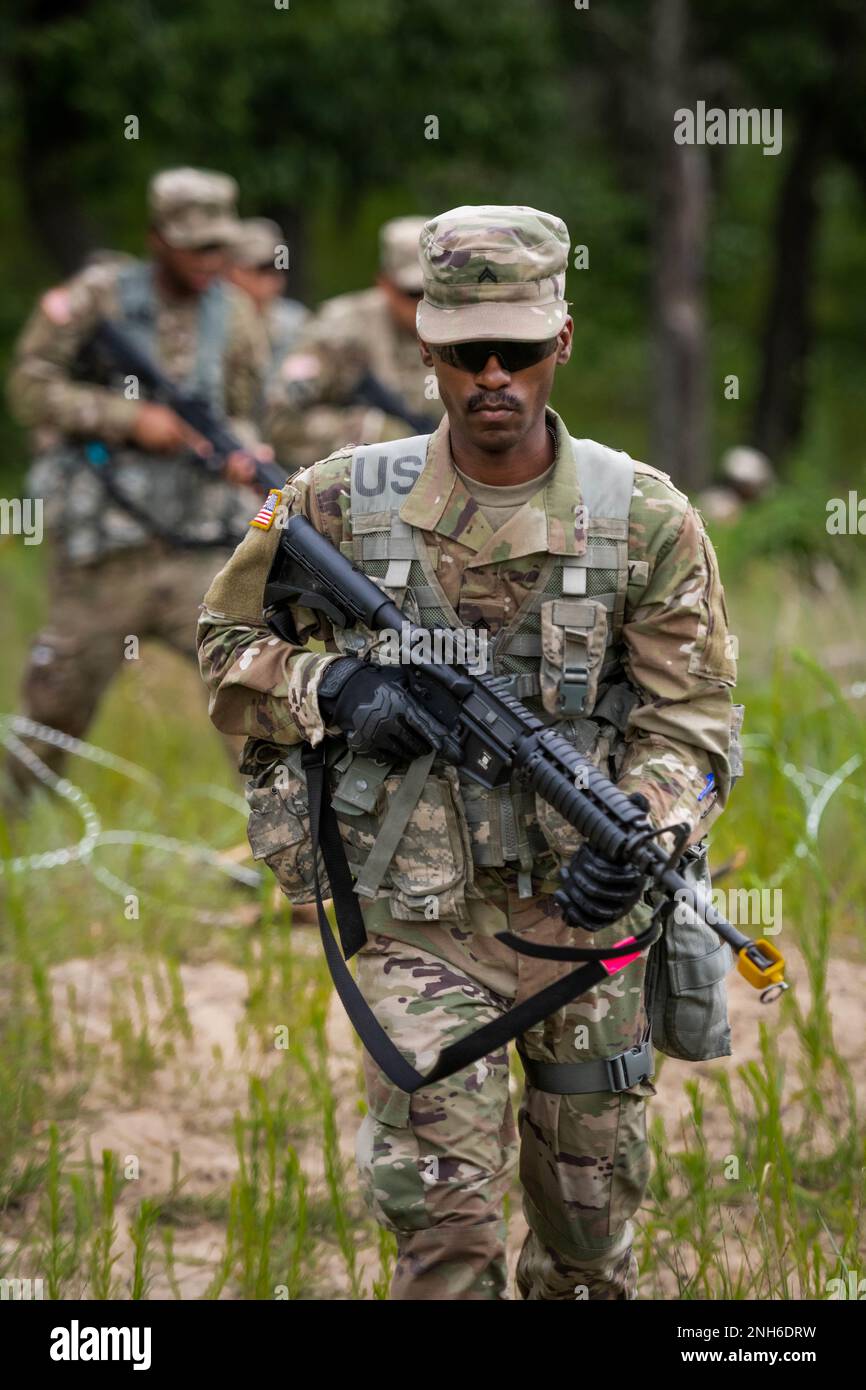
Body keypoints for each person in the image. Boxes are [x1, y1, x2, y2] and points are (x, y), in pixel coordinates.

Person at [197, 204, 739, 1300]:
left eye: (520, 349)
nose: (493, 376)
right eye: (463, 352)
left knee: (588, 1243)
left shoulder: (643, 520)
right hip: (416, 917)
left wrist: (648, 827)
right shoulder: (340, 500)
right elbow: (222, 647)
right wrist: (331, 686)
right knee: (443, 1228)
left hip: (587, 924)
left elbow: (693, 719)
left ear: (563, 343)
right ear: (426, 350)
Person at [5, 166, 272, 793]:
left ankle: (286, 857)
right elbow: (28, 388)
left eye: (220, 247)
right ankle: (11, 841)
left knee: (251, 698)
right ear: (157, 238)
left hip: (199, 552)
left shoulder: (234, 316)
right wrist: (128, 418)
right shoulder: (97, 297)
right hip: (104, 555)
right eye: (196, 246)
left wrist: (236, 451)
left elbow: (243, 410)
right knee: (53, 710)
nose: (210, 260)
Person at [264, 214, 444, 472]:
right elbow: (281, 422)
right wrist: (362, 431)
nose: (423, 304)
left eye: (435, 291)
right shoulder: (340, 331)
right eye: (412, 293)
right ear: (384, 283)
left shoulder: (466, 329)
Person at [226, 217, 310, 376]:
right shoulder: (216, 318)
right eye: (265, 269)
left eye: (282, 268)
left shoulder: (295, 320)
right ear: (234, 271)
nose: (277, 278)